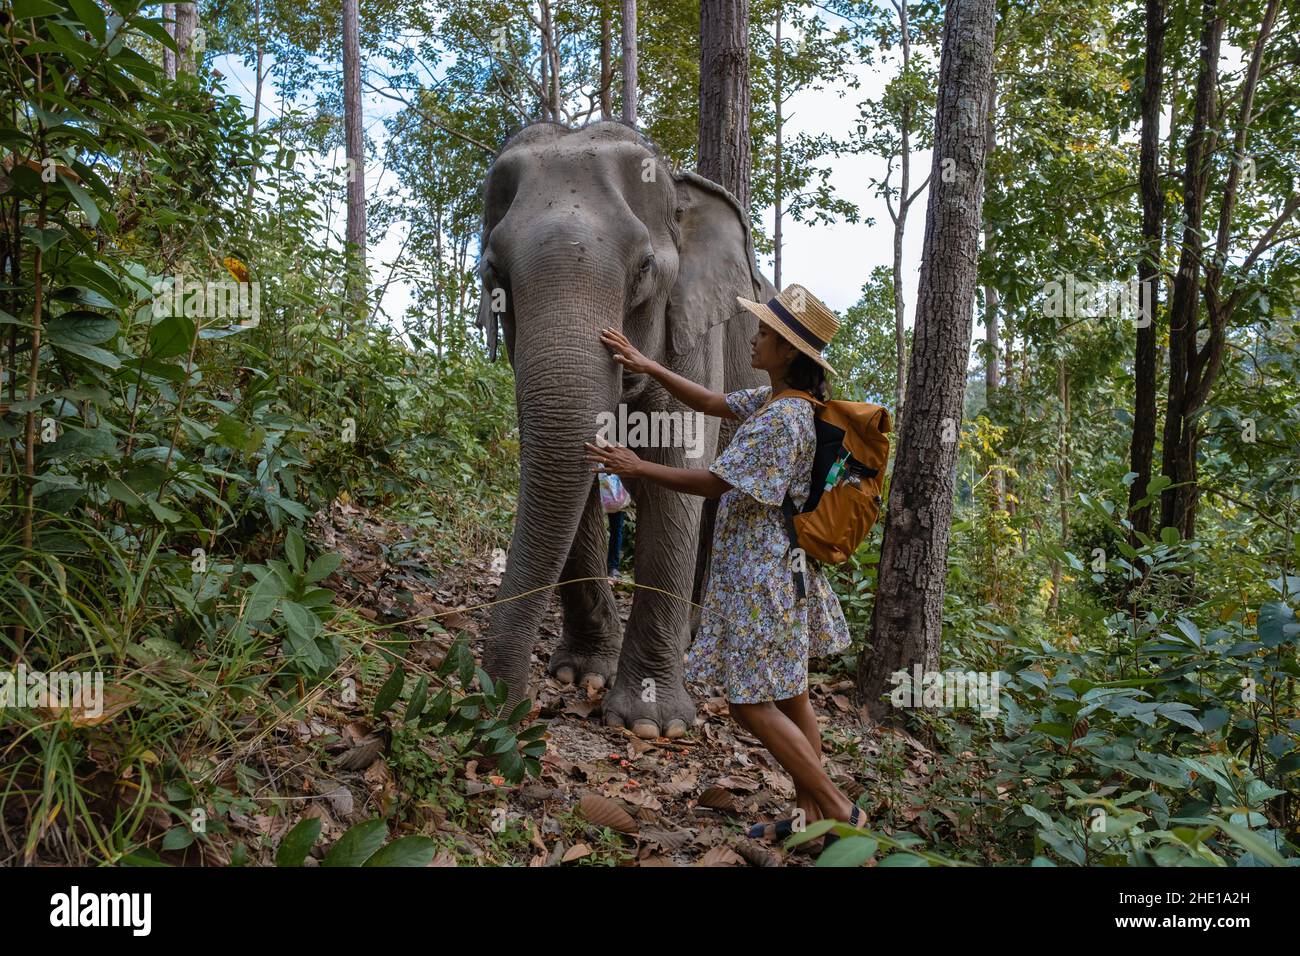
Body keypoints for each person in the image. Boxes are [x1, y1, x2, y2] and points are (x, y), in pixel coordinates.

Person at [584, 283, 866, 851]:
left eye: (764, 334)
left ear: (789, 351)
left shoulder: (781, 421)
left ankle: (838, 809)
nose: (754, 340)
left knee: (748, 703)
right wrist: (649, 365)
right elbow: (711, 402)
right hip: (778, 572)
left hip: (761, 578)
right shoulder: (779, 404)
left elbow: (715, 483)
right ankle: (811, 817)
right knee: (792, 696)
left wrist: (637, 464)